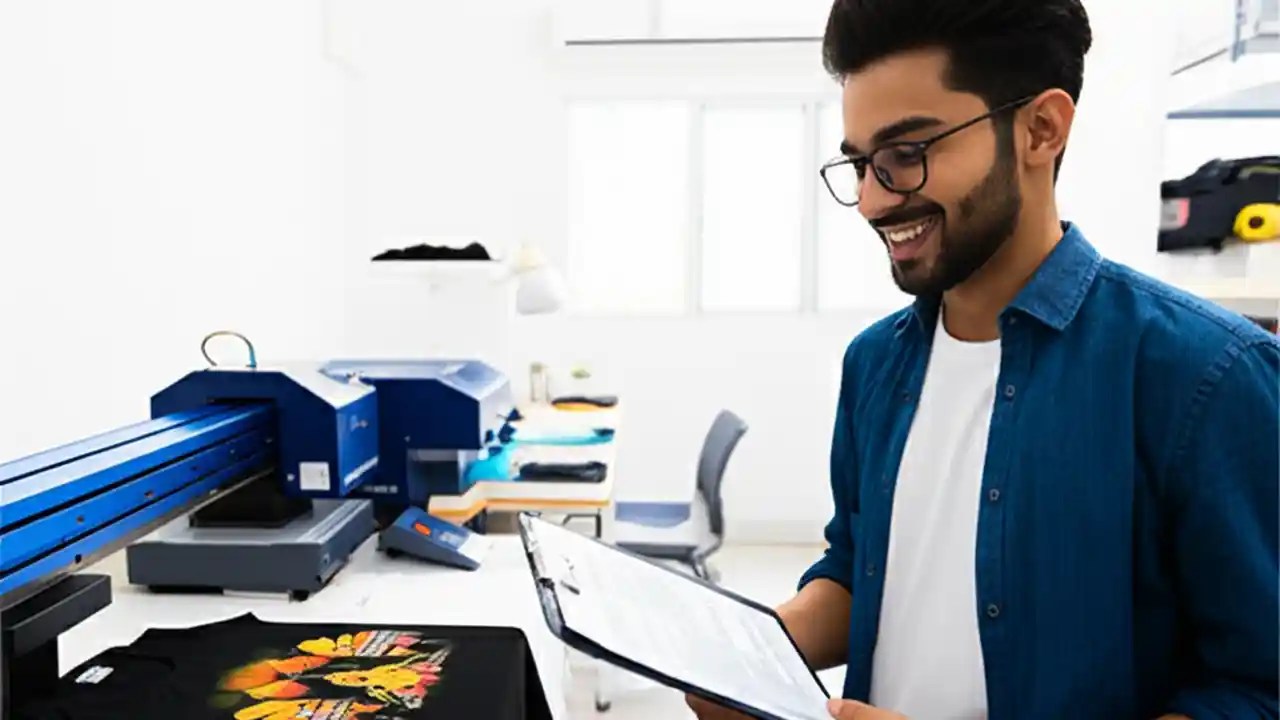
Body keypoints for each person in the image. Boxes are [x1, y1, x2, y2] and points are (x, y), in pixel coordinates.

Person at [688, 1, 1279, 719]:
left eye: (906, 156)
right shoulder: (874, 364)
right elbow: (858, 568)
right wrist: (752, 656)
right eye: (861, 164)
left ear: (1040, 129)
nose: (871, 201)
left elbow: (1257, 692)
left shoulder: (1207, 377)